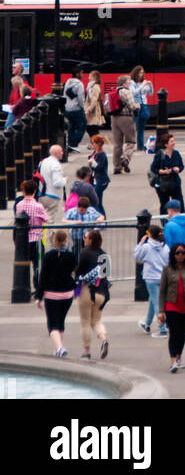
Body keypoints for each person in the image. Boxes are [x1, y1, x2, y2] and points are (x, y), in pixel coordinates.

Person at [158, 242, 185, 374]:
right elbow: (162, 291)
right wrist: (161, 311)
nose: (180, 255)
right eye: (177, 253)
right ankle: (173, 362)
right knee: (174, 332)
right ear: (173, 254)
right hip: (172, 304)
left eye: (183, 253)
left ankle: (179, 357)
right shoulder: (167, 269)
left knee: (181, 334)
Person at [35, 229, 75, 356]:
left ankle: (59, 348)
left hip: (52, 293)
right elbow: (74, 272)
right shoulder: (71, 256)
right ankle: (57, 348)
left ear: (54, 240)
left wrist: (38, 296)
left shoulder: (48, 256)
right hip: (67, 293)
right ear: (66, 240)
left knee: (52, 324)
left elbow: (43, 277)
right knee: (61, 321)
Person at [75, 229, 111, 361]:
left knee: (85, 322)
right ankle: (103, 340)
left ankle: (87, 351)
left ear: (90, 240)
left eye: (85, 237)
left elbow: (79, 271)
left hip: (87, 291)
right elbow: (106, 274)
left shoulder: (84, 252)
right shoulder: (104, 254)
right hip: (102, 292)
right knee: (96, 321)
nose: (84, 239)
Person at [134, 223, 170, 336]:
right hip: (163, 277)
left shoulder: (146, 247)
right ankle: (147, 324)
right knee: (153, 299)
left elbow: (137, 257)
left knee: (156, 303)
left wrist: (140, 243)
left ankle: (162, 328)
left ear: (149, 234)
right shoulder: (165, 247)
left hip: (150, 277)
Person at [16, 178, 49, 282]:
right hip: (36, 239)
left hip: (23, 239)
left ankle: (23, 284)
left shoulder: (19, 205)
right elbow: (46, 219)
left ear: (23, 191)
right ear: (35, 191)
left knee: (23, 264)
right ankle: (37, 283)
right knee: (38, 264)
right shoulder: (38, 206)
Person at [150, 133, 185, 213]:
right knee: (164, 205)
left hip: (175, 182)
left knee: (180, 204)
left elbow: (182, 166)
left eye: (174, 141)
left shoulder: (176, 153)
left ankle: (180, 221)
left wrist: (178, 169)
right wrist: (164, 171)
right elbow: (153, 168)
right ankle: (165, 223)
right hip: (163, 184)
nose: (174, 143)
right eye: (171, 142)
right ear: (166, 144)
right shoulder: (160, 154)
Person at [110, 74, 136, 174]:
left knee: (117, 144)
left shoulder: (114, 91)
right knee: (131, 141)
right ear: (124, 82)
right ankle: (125, 158)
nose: (130, 82)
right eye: (129, 80)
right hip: (125, 118)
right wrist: (138, 106)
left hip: (114, 119)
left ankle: (117, 167)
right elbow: (132, 106)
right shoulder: (126, 91)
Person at [39, 144, 67, 224]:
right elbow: (57, 182)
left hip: (42, 194)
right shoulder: (56, 165)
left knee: (41, 218)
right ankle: (48, 236)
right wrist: (64, 180)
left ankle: (41, 235)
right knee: (50, 219)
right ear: (56, 153)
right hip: (53, 196)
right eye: (61, 151)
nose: (62, 153)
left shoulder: (43, 162)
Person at [129, 66, 154, 152]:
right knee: (133, 127)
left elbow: (150, 93)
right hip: (136, 106)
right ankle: (131, 146)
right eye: (140, 73)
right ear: (136, 73)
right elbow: (134, 93)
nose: (141, 75)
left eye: (142, 73)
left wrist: (151, 86)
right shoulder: (132, 83)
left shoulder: (143, 82)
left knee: (141, 127)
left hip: (144, 105)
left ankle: (140, 146)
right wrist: (142, 85)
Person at [62, 69, 86, 151]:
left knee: (71, 126)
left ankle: (69, 144)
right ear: (77, 73)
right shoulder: (79, 84)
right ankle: (74, 143)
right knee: (82, 125)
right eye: (81, 73)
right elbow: (80, 98)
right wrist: (82, 106)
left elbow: (64, 95)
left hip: (68, 108)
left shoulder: (67, 82)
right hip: (77, 109)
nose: (82, 75)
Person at [89, 134, 110, 215]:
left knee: (96, 201)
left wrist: (92, 163)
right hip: (96, 180)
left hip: (101, 181)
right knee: (97, 201)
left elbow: (99, 167)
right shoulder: (96, 153)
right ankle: (101, 218)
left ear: (98, 144)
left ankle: (101, 218)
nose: (92, 145)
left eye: (93, 143)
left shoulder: (101, 154)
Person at [84, 70, 105, 138]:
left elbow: (94, 100)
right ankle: (95, 144)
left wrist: (89, 109)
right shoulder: (91, 86)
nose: (88, 77)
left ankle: (97, 144)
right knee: (91, 128)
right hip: (91, 110)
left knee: (92, 128)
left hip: (94, 110)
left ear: (94, 77)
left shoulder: (95, 86)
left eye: (90, 76)